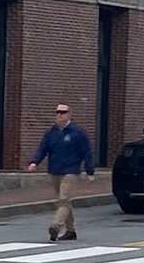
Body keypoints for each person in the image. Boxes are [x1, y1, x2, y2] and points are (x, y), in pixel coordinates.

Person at [28, 103, 95, 242]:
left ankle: (56, 227)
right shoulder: (51, 133)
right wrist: (34, 162)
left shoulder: (77, 132)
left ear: (69, 114)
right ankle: (71, 231)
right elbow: (43, 149)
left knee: (63, 199)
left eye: (63, 112)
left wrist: (90, 171)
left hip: (70, 171)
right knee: (64, 201)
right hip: (54, 170)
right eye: (57, 112)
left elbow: (86, 152)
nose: (59, 115)